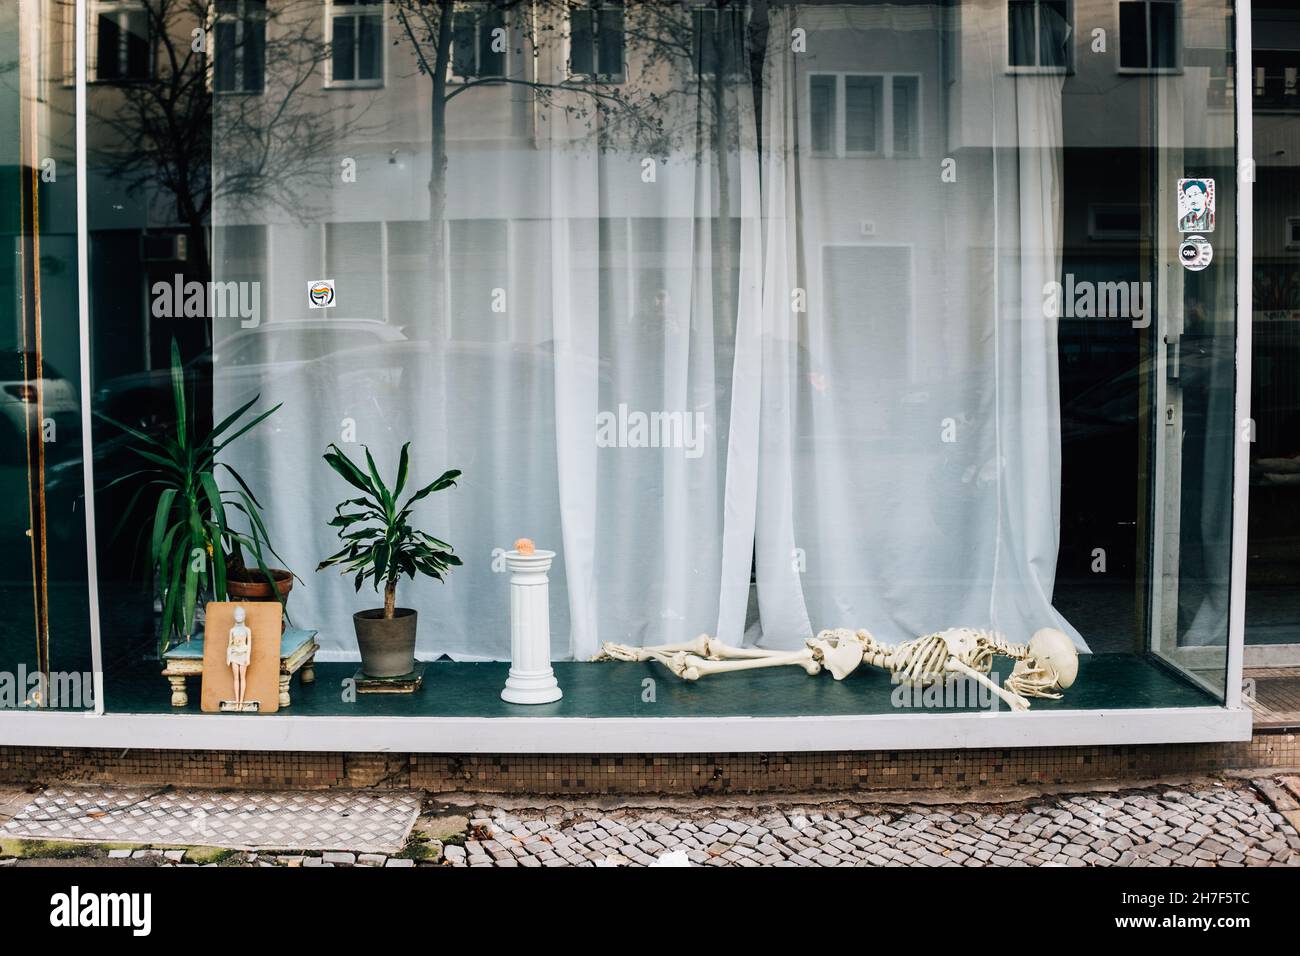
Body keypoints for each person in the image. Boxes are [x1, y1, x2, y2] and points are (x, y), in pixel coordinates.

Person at [227, 606, 253, 708]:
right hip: (234, 656)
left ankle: (241, 702)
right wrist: (228, 657)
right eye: (237, 615)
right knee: (235, 678)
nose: (239, 617)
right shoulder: (232, 630)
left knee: (242, 678)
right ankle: (237, 701)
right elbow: (229, 644)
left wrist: (248, 657)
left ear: (244, 616)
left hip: (243, 655)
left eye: (241, 614)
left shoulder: (247, 630)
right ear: (234, 616)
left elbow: (249, 644)